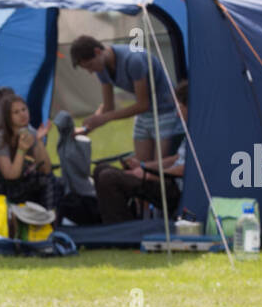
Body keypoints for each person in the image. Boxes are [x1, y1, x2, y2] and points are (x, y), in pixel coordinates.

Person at [70, 34, 182, 167]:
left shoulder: (133, 60)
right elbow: (108, 107)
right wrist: (86, 128)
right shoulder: (101, 68)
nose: (90, 71)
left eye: (90, 65)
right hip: (144, 116)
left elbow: (142, 105)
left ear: (98, 51)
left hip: (166, 112)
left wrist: (106, 118)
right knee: (140, 166)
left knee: (158, 169)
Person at [93, 80, 189, 223]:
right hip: (164, 178)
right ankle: (120, 224)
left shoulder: (202, 135)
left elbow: (187, 169)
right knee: (100, 169)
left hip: (174, 188)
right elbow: (176, 158)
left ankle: (122, 233)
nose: (177, 114)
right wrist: (144, 166)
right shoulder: (190, 131)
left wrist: (150, 175)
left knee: (108, 177)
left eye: (180, 107)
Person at [0, 91, 56, 210]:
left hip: (20, 183)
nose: (22, 114)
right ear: (8, 117)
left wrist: (39, 141)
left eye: (24, 109)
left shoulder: (31, 133)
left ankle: (48, 222)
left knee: (50, 180)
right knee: (43, 182)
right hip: (0, 188)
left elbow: (46, 169)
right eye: (16, 112)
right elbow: (11, 175)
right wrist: (21, 150)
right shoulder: (0, 140)